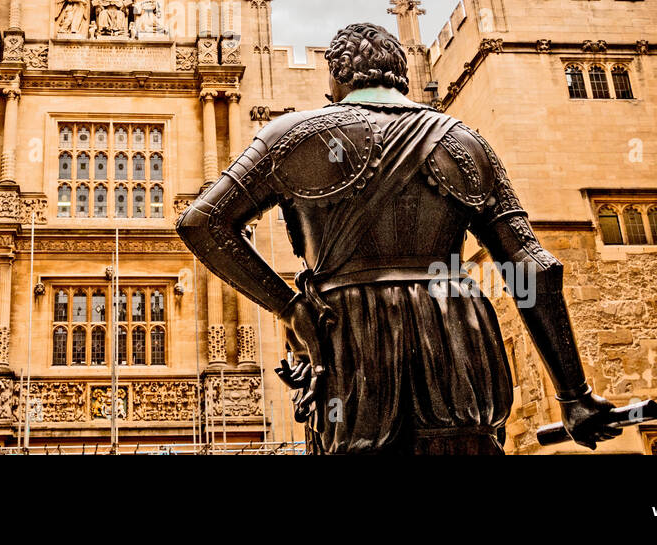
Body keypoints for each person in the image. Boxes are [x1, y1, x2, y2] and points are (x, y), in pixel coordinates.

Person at [176, 22, 619, 454]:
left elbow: (203, 222)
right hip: (456, 338)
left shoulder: (291, 135)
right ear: (401, 77)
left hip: (349, 342)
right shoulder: (466, 141)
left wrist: (289, 307)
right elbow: (532, 267)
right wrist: (573, 394)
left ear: (336, 77)